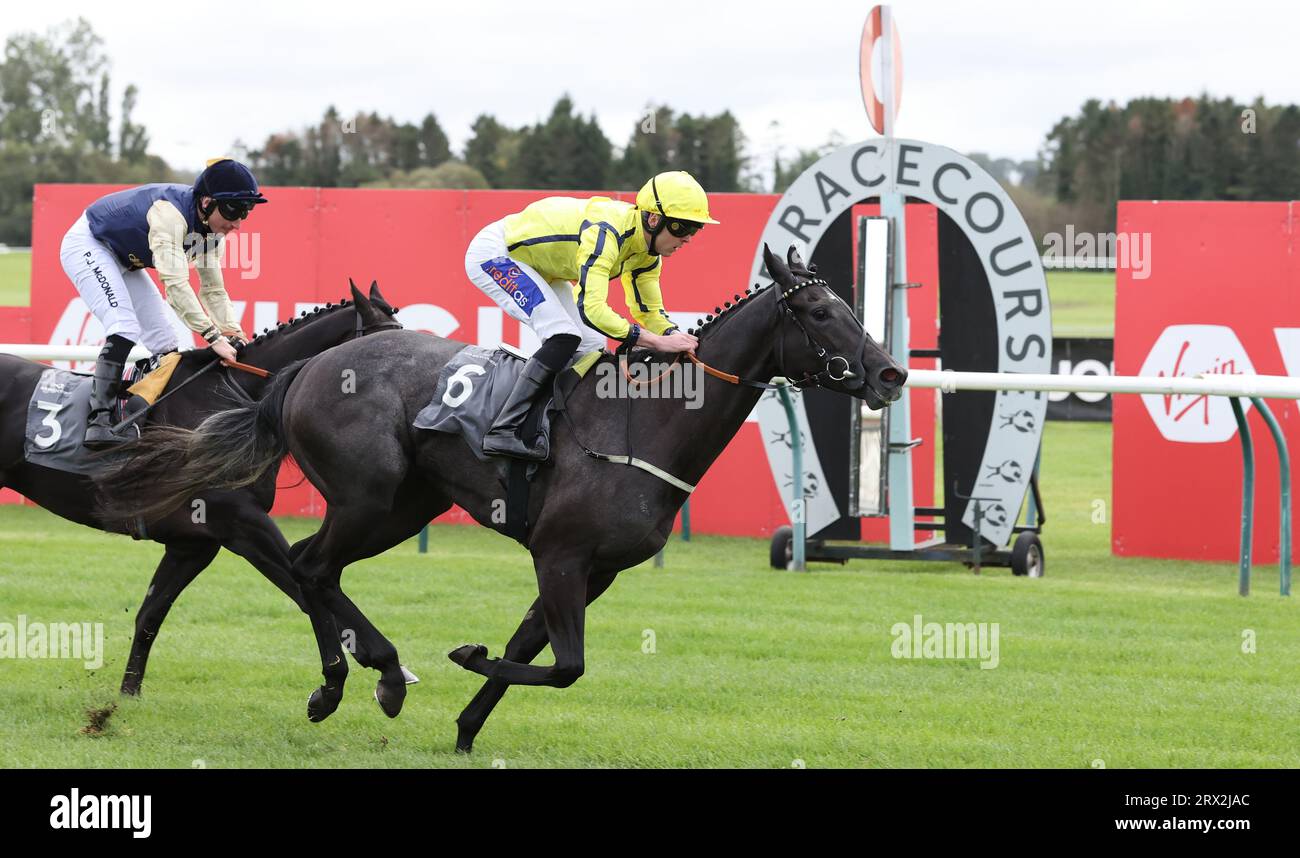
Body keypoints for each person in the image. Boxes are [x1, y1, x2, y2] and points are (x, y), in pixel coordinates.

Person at [465, 170, 718, 460]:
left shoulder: (647, 253)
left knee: (591, 349)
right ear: (653, 219)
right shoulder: (607, 232)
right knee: (563, 336)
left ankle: (558, 425)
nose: (687, 238)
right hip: (499, 254)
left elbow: (648, 310)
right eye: (682, 227)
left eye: (695, 229)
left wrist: (673, 334)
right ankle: (503, 429)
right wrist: (654, 342)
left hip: (544, 268)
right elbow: (592, 308)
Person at [59, 158, 268, 449]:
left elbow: (213, 291)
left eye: (246, 212)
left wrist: (232, 332)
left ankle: (139, 411)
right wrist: (212, 336)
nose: (238, 223)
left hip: (123, 258)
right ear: (207, 202)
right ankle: (99, 422)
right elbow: (176, 285)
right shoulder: (170, 216)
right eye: (233, 210)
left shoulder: (210, 233)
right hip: (89, 244)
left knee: (166, 343)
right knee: (124, 327)